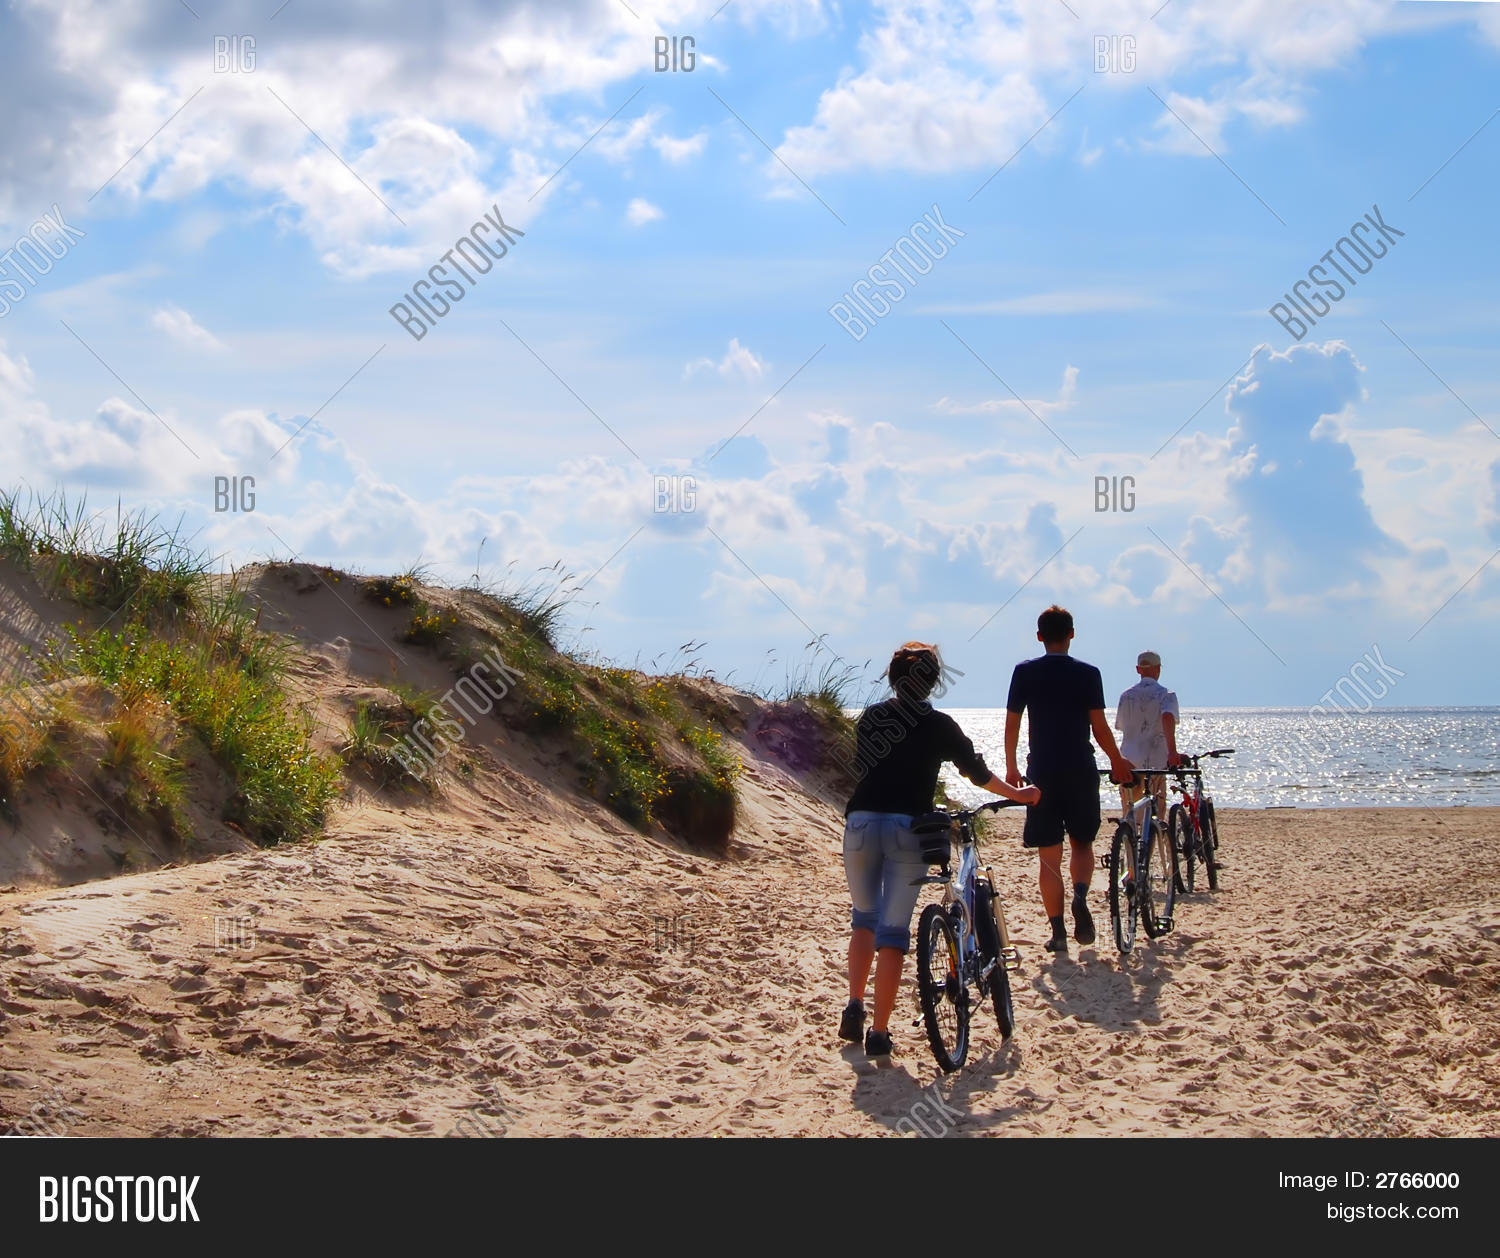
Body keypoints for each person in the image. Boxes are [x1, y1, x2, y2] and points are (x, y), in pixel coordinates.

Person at [840, 642, 1039, 1058]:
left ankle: (854, 1006)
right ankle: (879, 1033)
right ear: (932, 683)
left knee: (863, 920)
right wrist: (1019, 795)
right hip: (905, 828)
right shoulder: (941, 726)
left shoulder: (873, 717)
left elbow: (861, 767)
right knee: (893, 933)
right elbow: (979, 774)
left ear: (892, 677)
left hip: (860, 824)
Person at [1004, 606, 1133, 954]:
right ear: (1072, 634)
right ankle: (1079, 894)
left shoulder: (1024, 672)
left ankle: (1058, 932)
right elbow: (1099, 726)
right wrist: (1117, 761)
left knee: (1049, 856)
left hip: (1042, 770)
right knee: (1081, 843)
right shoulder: (1088, 674)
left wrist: (1012, 767)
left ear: (1039, 636)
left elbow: (1013, 723)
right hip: (1079, 766)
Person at [1114, 650, 1182, 823]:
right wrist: (1172, 752)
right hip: (1156, 762)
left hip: (1129, 761)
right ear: (1158, 669)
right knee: (1153, 819)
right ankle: (1148, 849)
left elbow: (1122, 727)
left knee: (1129, 813)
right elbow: (1167, 717)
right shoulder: (1166, 695)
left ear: (1138, 669)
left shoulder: (1126, 696)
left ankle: (1130, 848)